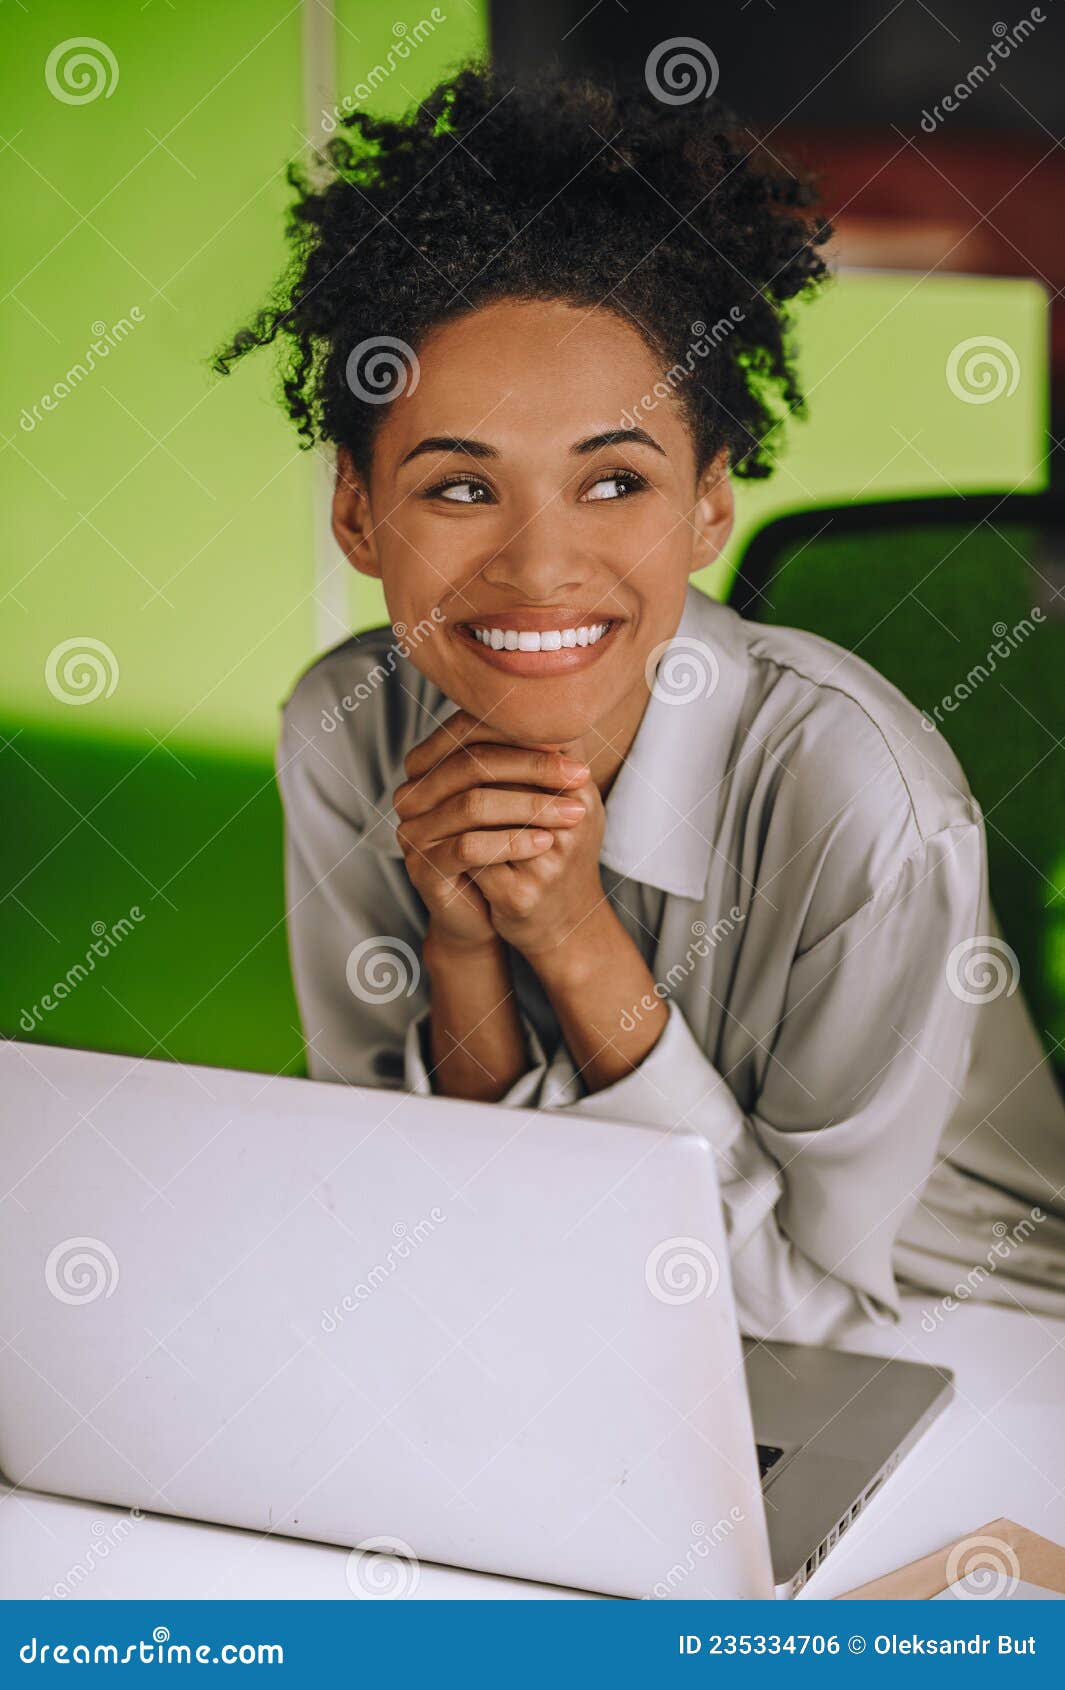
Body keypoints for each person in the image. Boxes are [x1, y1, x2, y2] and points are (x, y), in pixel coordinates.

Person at [214, 59, 1065, 1342]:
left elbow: (801, 1306)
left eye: (614, 481)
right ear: (357, 510)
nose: (541, 565)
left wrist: (569, 940)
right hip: (590, 1329)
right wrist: (460, 952)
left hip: (955, 1353)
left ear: (708, 502)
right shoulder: (346, 734)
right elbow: (435, 1209)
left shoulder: (861, 801)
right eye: (458, 487)